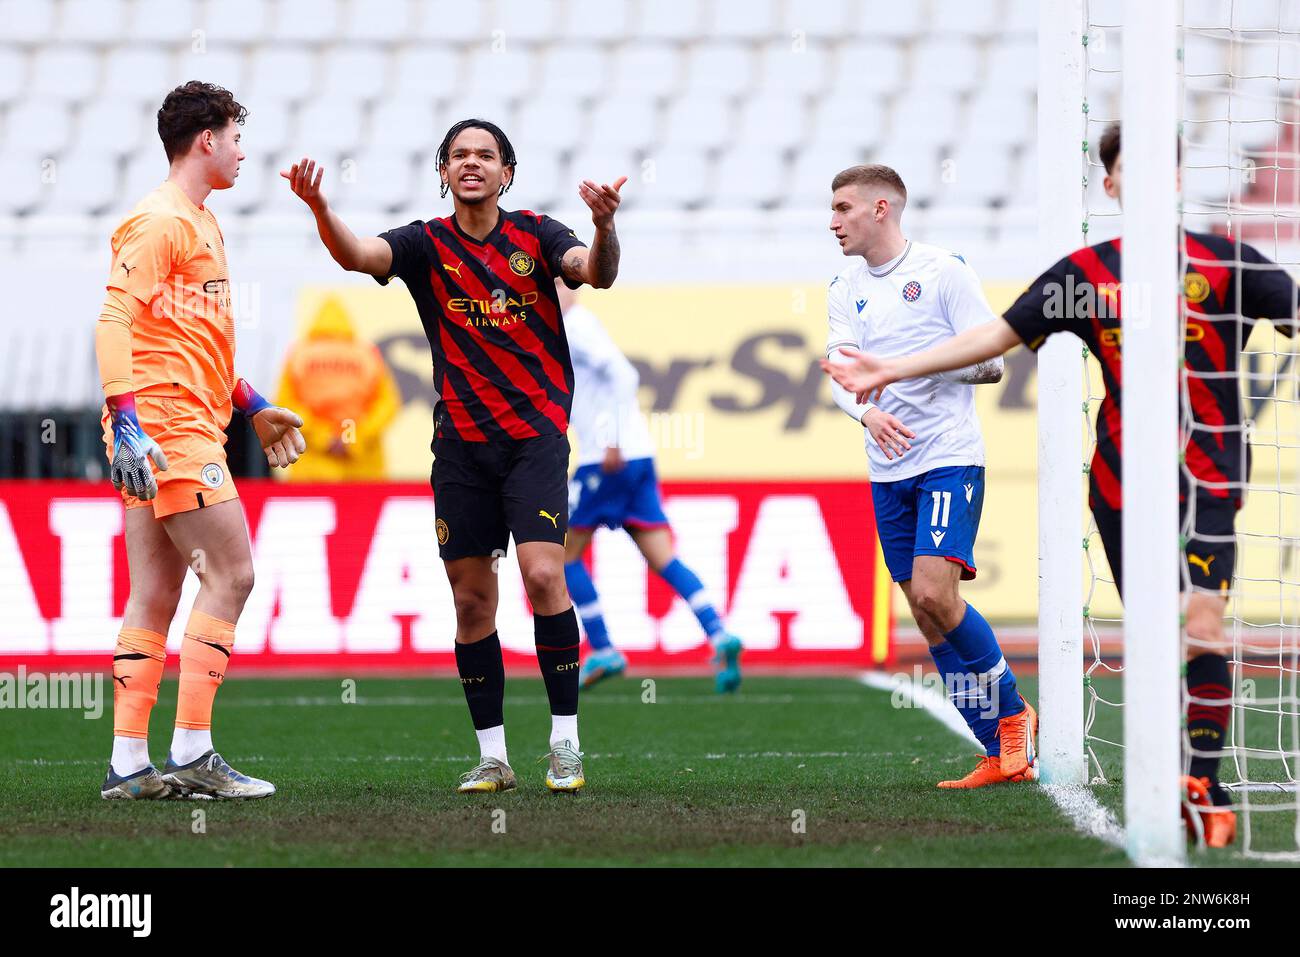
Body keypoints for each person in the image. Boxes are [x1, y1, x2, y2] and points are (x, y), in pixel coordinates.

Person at [822, 125, 1300, 845]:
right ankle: (1025, 739)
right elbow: (998, 338)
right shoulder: (1084, 273)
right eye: (1124, 168)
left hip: (1209, 470)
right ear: (1109, 184)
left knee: (1201, 619)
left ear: (1174, 179)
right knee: (1147, 629)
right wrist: (879, 381)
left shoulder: (1224, 262)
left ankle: (1201, 774)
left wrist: (890, 370)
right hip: (1116, 479)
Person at [281, 119, 624, 793]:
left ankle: (566, 743)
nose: (472, 163)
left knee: (543, 575)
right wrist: (321, 209)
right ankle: (494, 756)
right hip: (461, 448)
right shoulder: (424, 244)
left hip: (534, 439)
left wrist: (605, 226)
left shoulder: (537, 233)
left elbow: (595, 273)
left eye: (485, 155)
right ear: (444, 172)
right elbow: (357, 256)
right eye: (459, 155)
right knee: (472, 602)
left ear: (506, 173)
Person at [98, 81, 306, 800]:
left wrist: (252, 403)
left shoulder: (202, 222)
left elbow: (194, 339)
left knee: (154, 592)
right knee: (234, 572)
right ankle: (191, 749)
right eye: (236, 137)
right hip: (167, 426)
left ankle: (129, 762)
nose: (243, 152)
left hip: (172, 419)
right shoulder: (159, 222)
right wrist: (125, 415)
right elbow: (114, 320)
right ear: (207, 141)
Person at [822, 164, 1037, 789]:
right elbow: (841, 373)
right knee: (922, 606)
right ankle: (996, 749)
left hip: (947, 455)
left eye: (843, 208)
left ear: (882, 209)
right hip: (888, 467)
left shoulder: (944, 271)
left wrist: (901, 371)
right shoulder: (844, 285)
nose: (833, 222)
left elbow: (992, 365)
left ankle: (1015, 714)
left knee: (938, 594)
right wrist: (866, 412)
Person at [556, 281, 744, 693]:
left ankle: (603, 647)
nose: (554, 292)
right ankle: (718, 633)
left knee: (561, 555)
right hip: (638, 458)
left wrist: (612, 440)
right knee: (663, 557)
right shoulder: (575, 324)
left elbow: (626, 375)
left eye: (558, 284)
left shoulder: (574, 325)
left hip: (606, 459)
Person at [274, 296, 400, 482]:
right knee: (362, 510)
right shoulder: (367, 354)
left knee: (315, 510)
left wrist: (324, 437)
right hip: (363, 466)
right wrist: (352, 439)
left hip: (313, 465)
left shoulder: (299, 355)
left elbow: (285, 404)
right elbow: (387, 405)